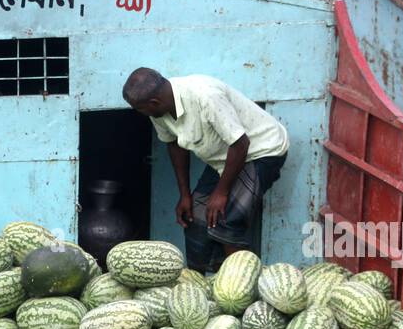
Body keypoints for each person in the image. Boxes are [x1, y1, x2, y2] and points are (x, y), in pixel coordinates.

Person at [124, 67, 289, 272]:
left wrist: (221, 192)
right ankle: (206, 287)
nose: (141, 114)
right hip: (224, 159)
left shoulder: (205, 96)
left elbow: (241, 144)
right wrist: (185, 195)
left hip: (260, 151)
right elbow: (174, 144)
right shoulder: (159, 107)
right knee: (196, 221)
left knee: (227, 220)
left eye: (140, 110)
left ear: (153, 103)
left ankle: (241, 287)